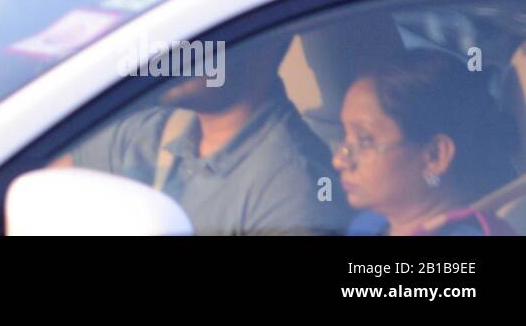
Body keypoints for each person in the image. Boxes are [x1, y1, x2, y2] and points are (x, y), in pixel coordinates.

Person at [61, 35, 349, 234]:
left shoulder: (292, 192)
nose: (175, 51)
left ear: (265, 47)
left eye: (201, 40)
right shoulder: (149, 133)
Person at [334, 50, 519, 236]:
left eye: (364, 140)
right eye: (345, 136)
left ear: (435, 155)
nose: (338, 160)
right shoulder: (370, 223)